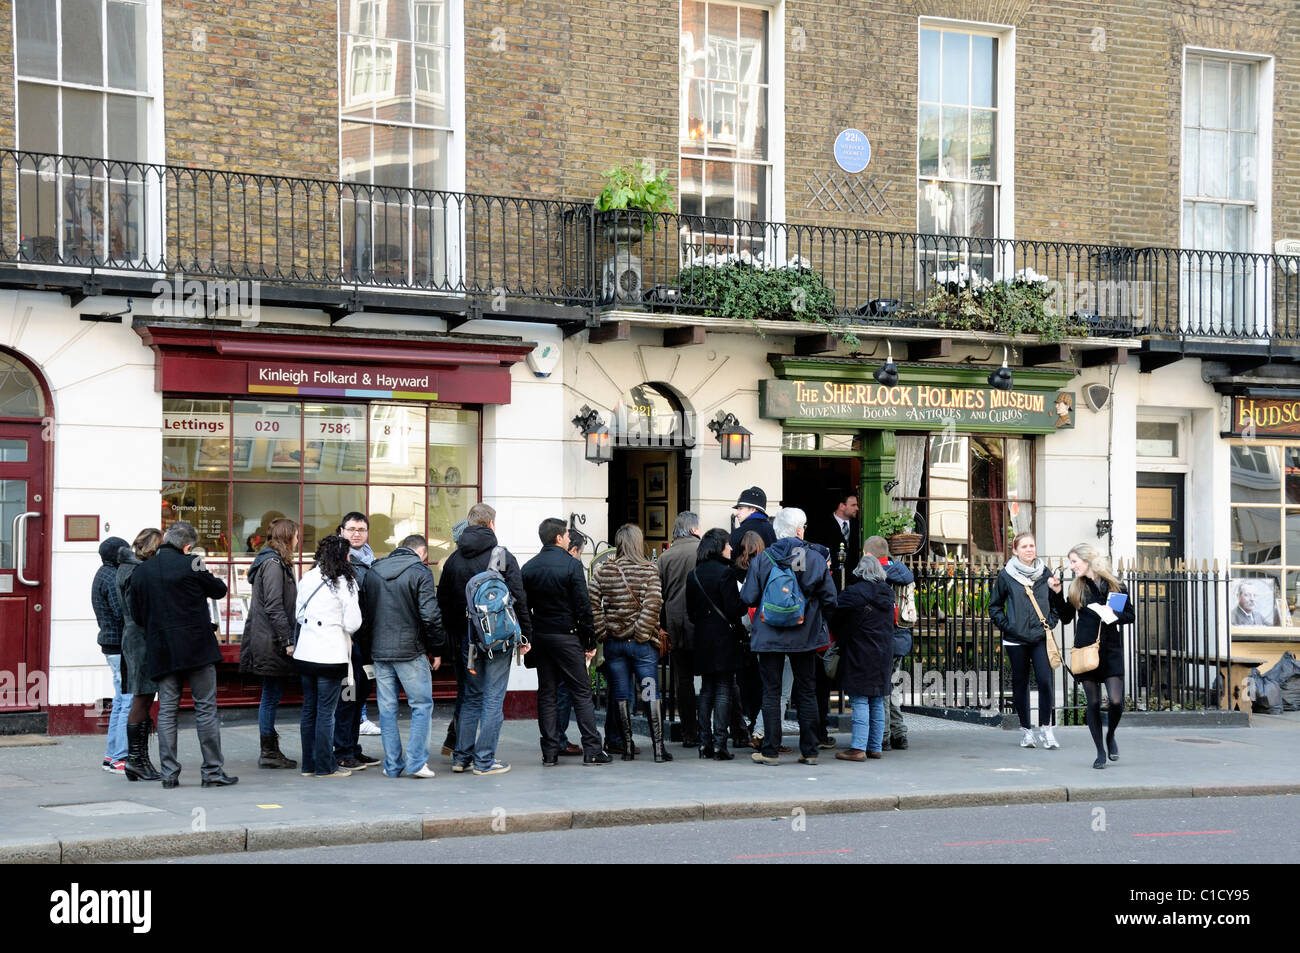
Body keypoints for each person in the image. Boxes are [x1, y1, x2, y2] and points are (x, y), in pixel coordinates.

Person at [130, 521, 237, 788]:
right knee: (205, 708)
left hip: (162, 648)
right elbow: (219, 590)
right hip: (197, 647)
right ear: (187, 546)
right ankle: (212, 772)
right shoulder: (193, 563)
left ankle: (169, 774)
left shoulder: (142, 571)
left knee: (166, 710)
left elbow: (137, 615)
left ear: (165, 538)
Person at [739, 507, 838, 766]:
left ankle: (770, 751)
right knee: (806, 691)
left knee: (771, 692)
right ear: (798, 530)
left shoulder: (764, 559)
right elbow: (830, 599)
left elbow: (748, 597)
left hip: (769, 635)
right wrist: (818, 618)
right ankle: (809, 750)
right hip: (804, 635)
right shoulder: (814, 558)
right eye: (803, 526)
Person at [447, 503, 532, 776]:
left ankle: (461, 757)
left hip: (467, 640)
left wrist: (456, 636)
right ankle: (484, 761)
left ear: (469, 524)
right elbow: (519, 597)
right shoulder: (502, 556)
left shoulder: (454, 559)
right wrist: (525, 635)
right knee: (493, 699)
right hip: (499, 640)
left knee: (471, 696)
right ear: (491, 524)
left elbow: (443, 603)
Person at [521, 518, 611, 766]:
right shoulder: (571, 567)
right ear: (559, 538)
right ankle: (592, 748)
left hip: (542, 636)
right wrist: (590, 640)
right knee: (581, 692)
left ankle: (549, 752)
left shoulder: (529, 567)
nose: (570, 538)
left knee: (547, 694)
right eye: (568, 535)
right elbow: (584, 608)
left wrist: (529, 635)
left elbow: (523, 607)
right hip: (567, 636)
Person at [363, 533, 446, 778]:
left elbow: (366, 616)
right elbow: (430, 616)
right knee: (421, 705)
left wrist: (369, 650)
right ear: (423, 553)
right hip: (411, 650)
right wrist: (438, 649)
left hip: (379, 651)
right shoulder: (420, 572)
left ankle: (392, 765)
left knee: (386, 709)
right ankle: (417, 763)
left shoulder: (373, 571)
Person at [1049, 543, 1135, 769]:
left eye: (1074, 561)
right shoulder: (1078, 587)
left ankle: (1111, 736)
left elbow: (1130, 615)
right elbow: (1066, 617)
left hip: (1110, 650)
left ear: (1087, 560)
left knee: (1116, 702)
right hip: (1085, 650)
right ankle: (1099, 752)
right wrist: (1057, 594)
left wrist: (1111, 614)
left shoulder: (1114, 585)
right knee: (1094, 702)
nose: (1072, 566)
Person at [591, 523, 669, 762]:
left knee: (621, 693)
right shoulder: (648, 570)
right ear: (638, 542)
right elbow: (654, 603)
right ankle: (658, 748)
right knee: (649, 691)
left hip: (615, 643)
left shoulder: (604, 570)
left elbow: (592, 603)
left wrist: (604, 631)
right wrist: (642, 633)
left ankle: (626, 746)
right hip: (642, 646)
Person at [294, 535, 363, 778]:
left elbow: (299, 615)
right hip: (330, 654)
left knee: (309, 710)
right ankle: (325, 766)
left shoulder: (308, 577)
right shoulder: (345, 582)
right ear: (343, 556)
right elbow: (353, 622)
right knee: (326, 711)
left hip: (305, 652)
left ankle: (309, 765)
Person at [989, 532, 1061, 750]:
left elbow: (1056, 602)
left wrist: (1050, 622)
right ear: (1015, 550)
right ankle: (1026, 731)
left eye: (1032, 545)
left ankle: (1046, 729)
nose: (1029, 549)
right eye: (1025, 546)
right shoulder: (1006, 576)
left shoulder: (1045, 574)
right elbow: (994, 606)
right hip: (1016, 639)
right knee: (1020, 684)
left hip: (1040, 637)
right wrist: (1009, 626)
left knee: (1045, 681)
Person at [239, 517, 299, 770]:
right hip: (271, 641)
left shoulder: (275, 562)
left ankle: (270, 750)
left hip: (268, 638)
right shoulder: (274, 564)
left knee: (271, 695)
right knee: (271, 696)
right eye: (296, 535)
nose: (298, 540)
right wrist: (287, 639)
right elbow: (274, 606)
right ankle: (269, 751)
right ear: (288, 537)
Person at [685, 528, 747, 760]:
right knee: (723, 689)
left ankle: (705, 743)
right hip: (725, 639)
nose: (731, 548)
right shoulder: (726, 573)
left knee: (707, 689)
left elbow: (690, 612)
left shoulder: (694, 574)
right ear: (719, 547)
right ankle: (720, 744)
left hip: (702, 638)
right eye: (728, 544)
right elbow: (734, 608)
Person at [831, 555, 896, 761]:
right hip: (883, 653)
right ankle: (874, 746)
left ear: (859, 572)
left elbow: (835, 614)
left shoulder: (853, 593)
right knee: (877, 699)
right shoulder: (888, 594)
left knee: (859, 699)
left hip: (860, 652)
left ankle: (858, 748)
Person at [333, 512, 381, 767]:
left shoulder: (370, 561)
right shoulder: (339, 563)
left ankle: (352, 746)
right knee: (347, 696)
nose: (356, 534)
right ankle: (342, 750)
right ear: (342, 531)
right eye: (351, 529)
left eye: (361, 529)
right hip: (345, 641)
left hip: (366, 641)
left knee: (360, 694)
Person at [117, 528, 163, 782]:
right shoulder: (136, 572)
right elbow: (140, 610)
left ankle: (139, 759)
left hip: (136, 637)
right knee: (142, 697)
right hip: (139, 639)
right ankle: (136, 759)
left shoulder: (129, 568)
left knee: (143, 697)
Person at [863, 535, 915, 751]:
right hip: (902, 636)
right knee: (892, 687)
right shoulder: (903, 574)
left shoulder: (873, 575)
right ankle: (899, 733)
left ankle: (882, 735)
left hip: (881, 639)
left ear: (868, 554)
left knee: (881, 688)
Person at [658, 511, 702, 748]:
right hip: (702, 623)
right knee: (715, 678)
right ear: (694, 529)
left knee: (682, 680)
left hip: (675, 623)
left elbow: (660, 593)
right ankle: (714, 728)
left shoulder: (666, 556)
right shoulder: (704, 550)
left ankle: (689, 732)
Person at [91, 536, 130, 774]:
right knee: (127, 700)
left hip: (110, 644)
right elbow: (120, 611)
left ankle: (111, 755)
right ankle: (119, 758)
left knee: (119, 701)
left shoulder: (101, 573)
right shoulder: (112, 576)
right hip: (119, 644)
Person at [809, 491, 862, 588]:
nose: (857, 508)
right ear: (842, 506)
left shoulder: (859, 525)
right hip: (831, 581)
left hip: (855, 581)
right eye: (853, 505)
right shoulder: (822, 525)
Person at [728, 486, 776, 555]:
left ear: (753, 509)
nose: (737, 513)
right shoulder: (771, 529)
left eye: (741, 508)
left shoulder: (739, 532)